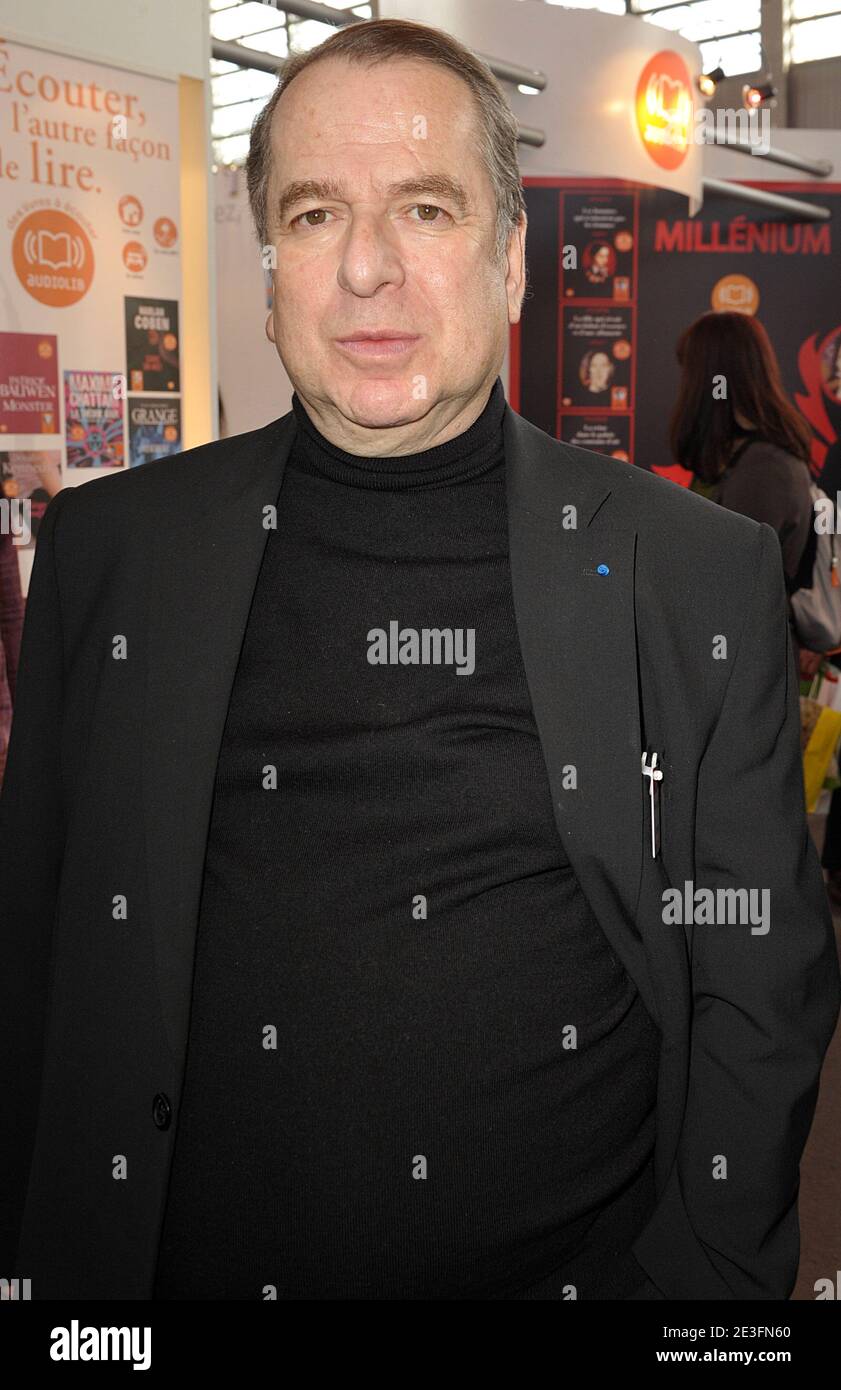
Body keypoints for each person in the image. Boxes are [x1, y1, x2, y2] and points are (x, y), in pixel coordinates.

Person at [1, 17, 838, 1302]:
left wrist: (703, 1293)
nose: (370, 269)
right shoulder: (111, 556)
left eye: (428, 210)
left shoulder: (687, 576)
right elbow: (43, 945)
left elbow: (758, 978)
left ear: (510, 263)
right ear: (270, 261)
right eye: (319, 213)